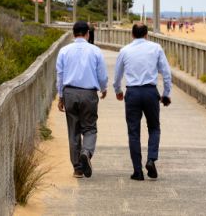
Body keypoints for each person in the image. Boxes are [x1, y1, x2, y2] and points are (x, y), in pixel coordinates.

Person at [113, 23, 172, 181]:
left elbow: (117, 75)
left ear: (132, 34)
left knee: (133, 132)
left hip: (132, 93)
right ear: (147, 34)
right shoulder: (156, 48)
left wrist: (118, 91)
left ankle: (137, 171)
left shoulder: (124, 50)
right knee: (154, 128)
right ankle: (151, 159)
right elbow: (166, 73)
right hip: (150, 92)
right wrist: (166, 94)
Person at [56, 21, 108, 178]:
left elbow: (60, 75)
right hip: (89, 94)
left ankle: (77, 168)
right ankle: (86, 152)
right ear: (88, 34)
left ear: (73, 33)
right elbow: (102, 75)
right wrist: (103, 89)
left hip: (70, 93)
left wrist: (60, 96)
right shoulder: (95, 51)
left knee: (74, 131)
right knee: (90, 128)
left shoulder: (64, 51)